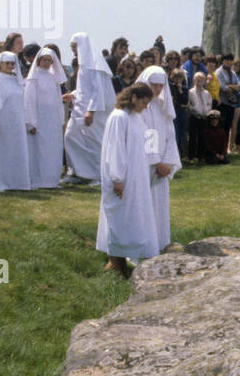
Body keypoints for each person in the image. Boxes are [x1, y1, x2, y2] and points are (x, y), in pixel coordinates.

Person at [97, 82, 159, 278]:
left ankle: (130, 257)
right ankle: (117, 264)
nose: (145, 107)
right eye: (143, 102)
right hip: (122, 178)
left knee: (133, 218)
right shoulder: (119, 117)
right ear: (133, 98)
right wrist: (117, 178)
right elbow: (115, 149)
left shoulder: (135, 118)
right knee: (119, 219)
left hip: (135, 177)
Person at [136, 66, 182, 253]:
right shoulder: (140, 108)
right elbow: (146, 135)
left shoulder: (163, 106)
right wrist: (156, 162)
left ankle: (161, 243)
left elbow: (171, 135)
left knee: (160, 205)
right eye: (153, 85)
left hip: (162, 164)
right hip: (146, 164)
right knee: (144, 205)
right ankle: (143, 246)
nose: (157, 89)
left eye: (160, 85)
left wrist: (167, 161)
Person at [64, 32, 115, 184]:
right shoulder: (83, 65)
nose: (73, 50)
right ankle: (76, 172)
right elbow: (84, 89)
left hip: (93, 112)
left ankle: (99, 175)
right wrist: (72, 95)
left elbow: (98, 91)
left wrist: (90, 111)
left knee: (94, 143)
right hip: (79, 109)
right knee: (70, 137)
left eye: (75, 47)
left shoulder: (95, 66)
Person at [0, 51, 32, 191]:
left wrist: (24, 122)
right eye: (7, 63)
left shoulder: (16, 81)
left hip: (16, 124)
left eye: (12, 63)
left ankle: (15, 182)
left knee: (15, 152)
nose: (10, 66)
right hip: (1, 123)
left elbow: (22, 103)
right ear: (0, 64)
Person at [24, 47, 67, 189]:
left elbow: (58, 101)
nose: (47, 63)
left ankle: (51, 179)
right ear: (39, 60)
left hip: (52, 120)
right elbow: (29, 100)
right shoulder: (33, 77)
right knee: (39, 149)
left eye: (49, 60)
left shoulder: (53, 77)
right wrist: (31, 122)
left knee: (52, 149)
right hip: (39, 118)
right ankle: (38, 179)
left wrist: (60, 119)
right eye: (44, 60)